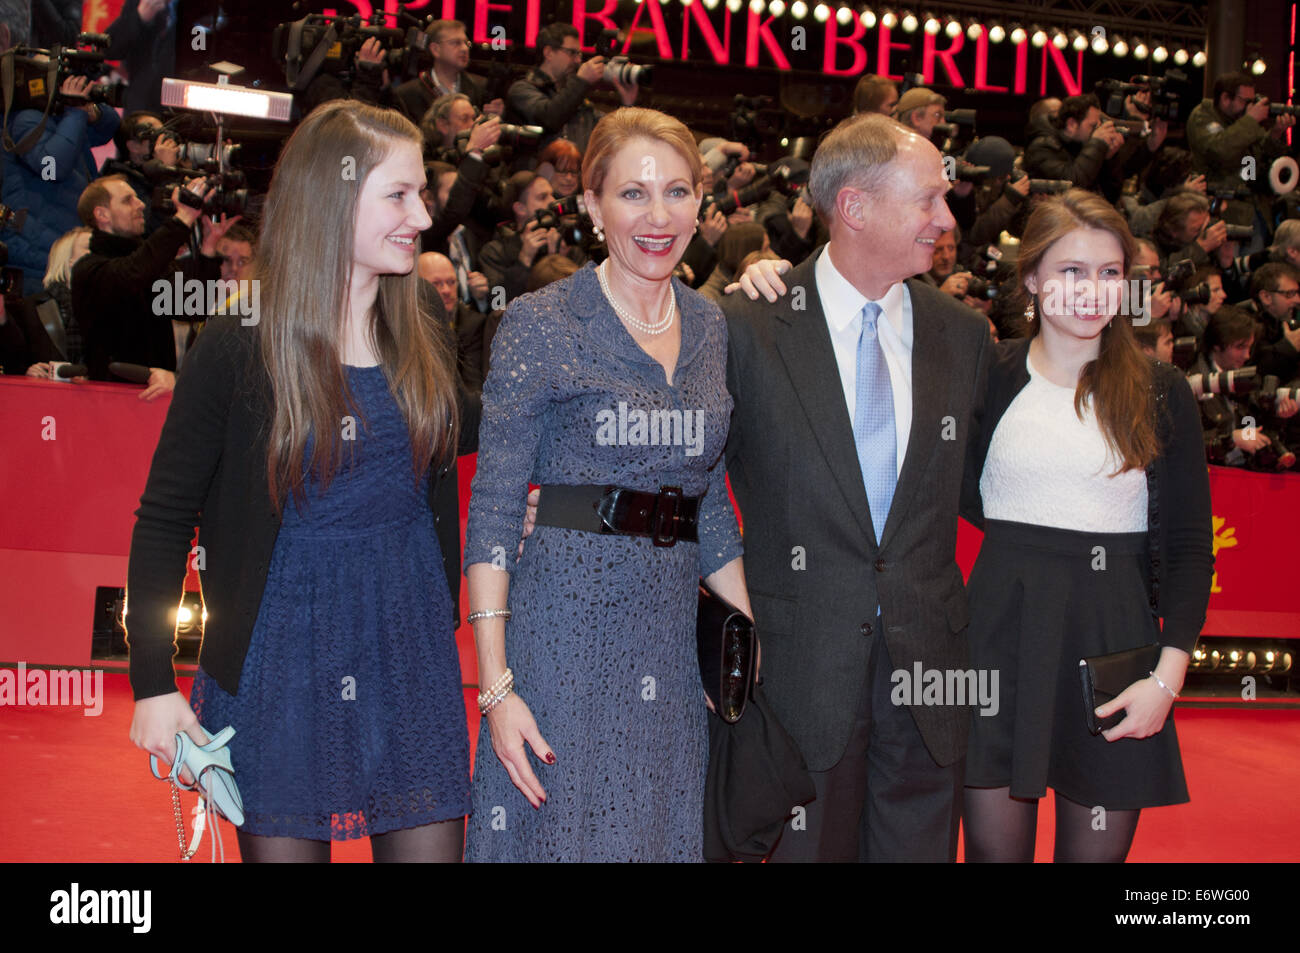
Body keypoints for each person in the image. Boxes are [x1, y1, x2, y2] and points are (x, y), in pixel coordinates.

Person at [126, 100, 479, 863]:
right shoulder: (240, 342)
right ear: (332, 196)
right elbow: (162, 518)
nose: (421, 216)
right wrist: (152, 683)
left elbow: (470, 424)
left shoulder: (419, 317)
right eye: (399, 195)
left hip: (408, 651)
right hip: (281, 656)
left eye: (422, 194)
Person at [462, 106, 747, 862]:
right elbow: (494, 507)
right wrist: (496, 687)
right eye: (633, 194)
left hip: (669, 636)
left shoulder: (711, 325)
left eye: (678, 192)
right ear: (591, 205)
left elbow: (708, 495)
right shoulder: (540, 322)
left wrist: (741, 641)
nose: (659, 216)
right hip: (565, 628)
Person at [723, 111, 992, 862]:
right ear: (855, 207)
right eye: (929, 200)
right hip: (798, 671)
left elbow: (986, 485)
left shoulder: (963, 334)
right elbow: (694, 479)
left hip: (931, 675)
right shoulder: (749, 323)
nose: (946, 218)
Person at [960, 189, 1214, 862]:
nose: (1091, 291)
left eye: (1109, 273)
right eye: (1071, 271)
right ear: (1033, 278)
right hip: (997, 641)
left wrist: (1169, 677)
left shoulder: (1161, 390)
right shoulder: (986, 376)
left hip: (1114, 651)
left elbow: (1190, 547)